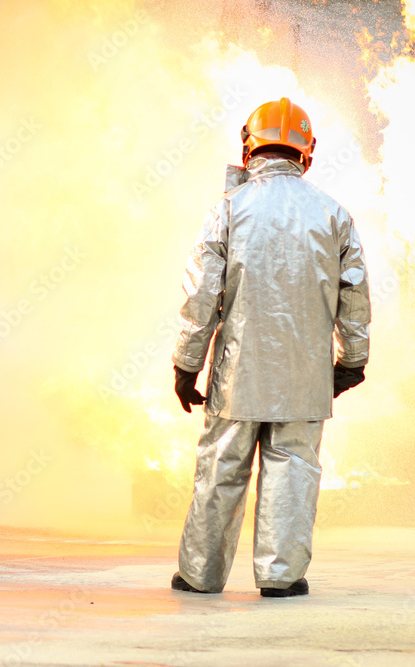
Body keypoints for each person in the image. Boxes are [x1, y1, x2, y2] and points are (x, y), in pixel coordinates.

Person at [170, 98, 370, 597]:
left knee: (221, 469)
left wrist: (186, 364)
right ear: (308, 151)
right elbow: (355, 295)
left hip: (238, 375)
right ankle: (281, 579)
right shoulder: (333, 214)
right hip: (305, 377)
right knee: (293, 471)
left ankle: (200, 575)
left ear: (248, 145)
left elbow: (201, 296)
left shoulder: (228, 209)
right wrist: (352, 360)